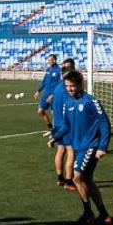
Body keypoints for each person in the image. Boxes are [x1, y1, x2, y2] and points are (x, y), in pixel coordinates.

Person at [48, 70, 112, 225]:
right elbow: (66, 126)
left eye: (72, 86)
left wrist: (102, 146)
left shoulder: (90, 101)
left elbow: (104, 123)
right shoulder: (68, 103)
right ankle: (103, 214)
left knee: (76, 177)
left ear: (80, 84)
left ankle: (88, 213)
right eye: (67, 86)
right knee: (87, 180)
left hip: (91, 145)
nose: (69, 89)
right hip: (78, 146)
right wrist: (55, 137)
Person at [45, 57, 78, 191]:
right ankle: (69, 182)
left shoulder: (58, 88)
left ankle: (60, 178)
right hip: (65, 125)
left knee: (60, 151)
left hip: (57, 123)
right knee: (71, 152)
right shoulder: (66, 89)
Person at [35, 53, 62, 133]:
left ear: (55, 60)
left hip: (54, 96)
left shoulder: (59, 71)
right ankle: (50, 127)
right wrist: (38, 91)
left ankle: (58, 130)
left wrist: (54, 94)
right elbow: (44, 81)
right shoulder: (48, 70)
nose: (49, 61)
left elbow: (60, 84)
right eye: (48, 60)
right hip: (46, 95)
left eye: (51, 60)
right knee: (40, 111)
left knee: (55, 114)